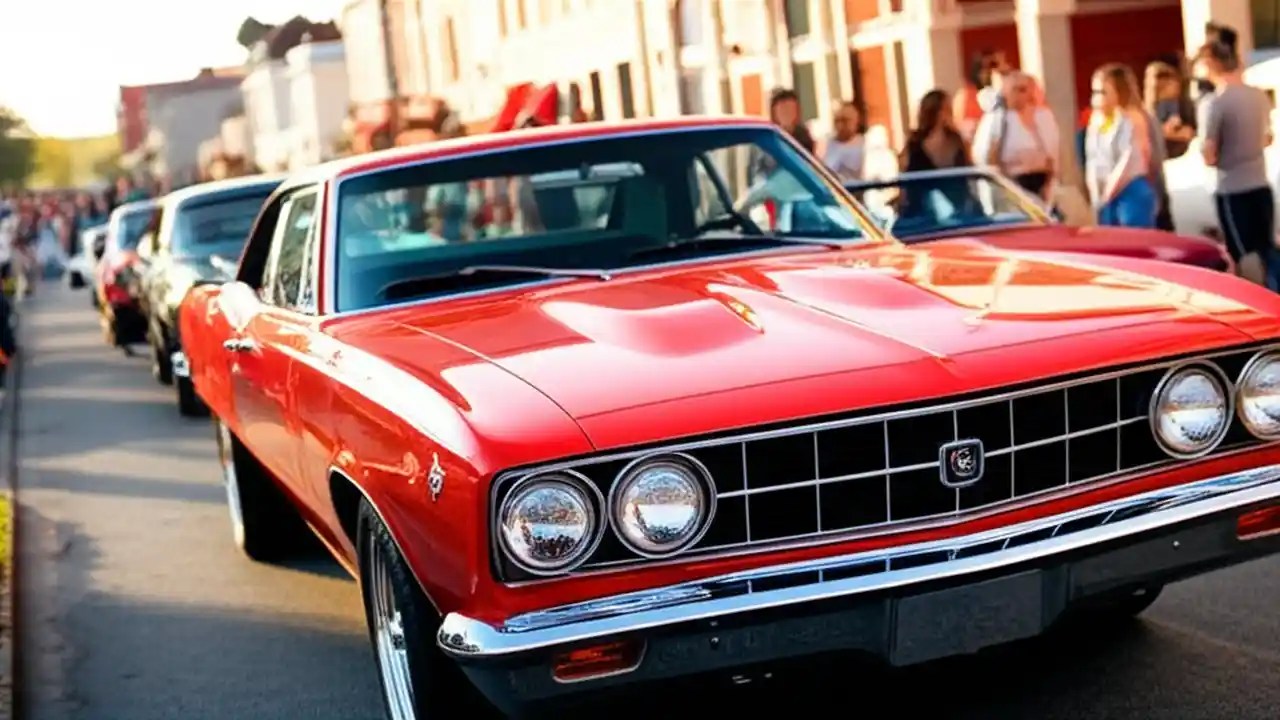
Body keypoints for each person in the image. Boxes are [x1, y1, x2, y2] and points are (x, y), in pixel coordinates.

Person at [1197, 35, 1278, 289]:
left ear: (1210, 64)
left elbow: (1209, 153)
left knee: (1244, 257)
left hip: (1232, 188)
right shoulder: (1259, 97)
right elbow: (1267, 138)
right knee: (1267, 249)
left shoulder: (1215, 103)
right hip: (1259, 183)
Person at [1085, 63, 1157, 228]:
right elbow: (1092, 158)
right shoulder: (1096, 121)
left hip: (1129, 189)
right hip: (1103, 195)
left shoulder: (1131, 117)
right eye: (1095, 92)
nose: (1096, 98)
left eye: (1103, 92)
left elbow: (1131, 156)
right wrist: (1096, 194)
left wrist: (1111, 189)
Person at [972, 70, 1061, 205]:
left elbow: (1053, 156)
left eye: (1025, 89)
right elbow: (988, 157)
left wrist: (1049, 182)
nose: (1022, 95)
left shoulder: (1043, 117)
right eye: (1016, 90)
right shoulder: (996, 119)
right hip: (1011, 186)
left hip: (1042, 185)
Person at [820, 100, 866, 183]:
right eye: (837, 121)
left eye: (845, 120)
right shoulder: (826, 145)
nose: (840, 125)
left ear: (857, 120)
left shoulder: (866, 146)